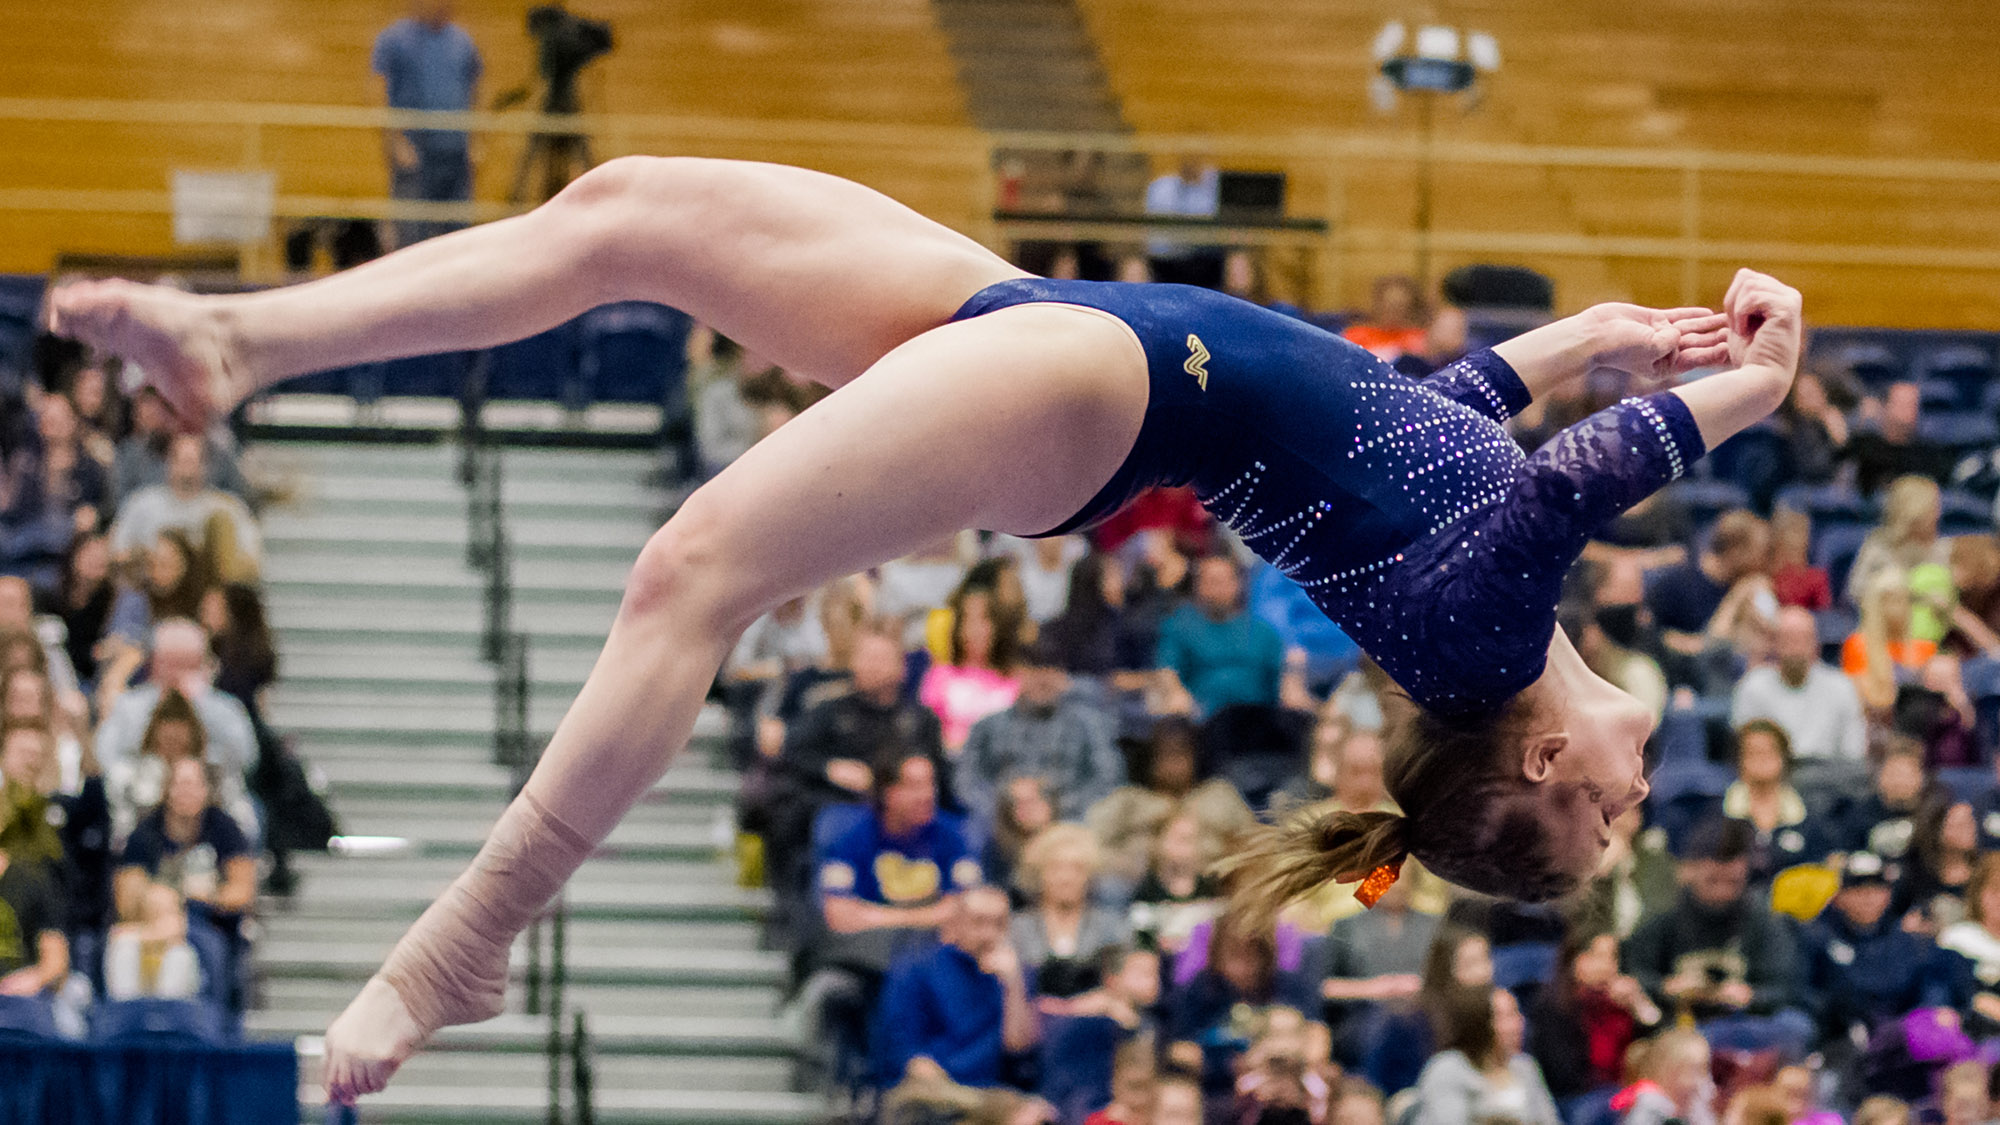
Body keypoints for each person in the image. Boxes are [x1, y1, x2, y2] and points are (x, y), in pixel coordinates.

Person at [43, 158, 1796, 1100]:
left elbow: (1560, 486)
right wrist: (1585, 334)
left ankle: (466, 939)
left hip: (1095, 386)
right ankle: (245, 345)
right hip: (1065, 329)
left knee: (696, 568)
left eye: (1611, 818)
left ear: (1545, 761)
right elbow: (1417, 419)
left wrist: (1754, 389)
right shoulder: (1472, 609)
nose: (1643, 793)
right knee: (626, 212)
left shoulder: (1486, 643)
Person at [1621, 818, 1810, 1058]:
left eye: (1733, 883)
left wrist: (1750, 996)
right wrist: (1667, 987)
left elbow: (1786, 986)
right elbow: (1634, 973)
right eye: (1712, 881)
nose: (1723, 892)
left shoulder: (1762, 917)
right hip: (1682, 1024)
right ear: (1689, 871)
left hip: (1746, 1021)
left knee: (1795, 1026)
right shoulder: (1664, 914)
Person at [873, 884, 1039, 1090]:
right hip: (930, 1090)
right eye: (978, 922)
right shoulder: (918, 969)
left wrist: (1013, 986)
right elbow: (904, 1054)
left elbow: (1018, 1048)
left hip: (994, 1092)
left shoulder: (1017, 975)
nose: (989, 933)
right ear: (953, 925)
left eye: (999, 924)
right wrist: (956, 1096)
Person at [958, 635, 1123, 827]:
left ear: (1063, 676)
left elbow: (1109, 780)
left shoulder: (1088, 724)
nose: (1042, 679)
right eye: (1033, 669)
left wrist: (1052, 808)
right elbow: (966, 780)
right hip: (1002, 826)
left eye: (1050, 669)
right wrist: (1010, 807)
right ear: (1018, 672)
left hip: (1070, 824)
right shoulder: (989, 725)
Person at [1798, 851, 1949, 1051]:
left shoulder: (1908, 942)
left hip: (1904, 1037)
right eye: (1858, 890)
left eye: (1876, 889)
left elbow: (1931, 988)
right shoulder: (1818, 939)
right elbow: (1810, 993)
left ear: (1888, 896)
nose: (1868, 898)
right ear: (1839, 897)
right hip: (1839, 1037)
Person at [373, 0, 483, 248]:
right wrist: (394, 140)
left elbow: (476, 88)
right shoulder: (395, 39)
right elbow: (378, 91)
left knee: (457, 237)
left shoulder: (462, 41)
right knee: (412, 237)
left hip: (456, 153)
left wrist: (476, 142)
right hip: (415, 153)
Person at [1527, 928, 1662, 1102]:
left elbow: (1658, 1053)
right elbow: (1564, 1076)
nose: (1608, 966)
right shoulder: (1553, 1006)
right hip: (1577, 1099)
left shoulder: (1621, 1003)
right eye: (1599, 956)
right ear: (1576, 959)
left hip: (1624, 1091)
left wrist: (1640, 1005)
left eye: (1613, 957)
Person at [106, 434, 260, 583]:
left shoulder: (227, 508)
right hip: (149, 593)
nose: (187, 468)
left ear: (205, 466)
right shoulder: (142, 503)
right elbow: (117, 551)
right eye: (181, 460)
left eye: (193, 461)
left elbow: (252, 559)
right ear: (168, 463)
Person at [1153, 554, 1287, 718]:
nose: (1217, 589)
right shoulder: (1179, 627)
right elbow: (1168, 672)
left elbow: (1283, 677)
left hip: (1258, 719)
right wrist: (1176, 694)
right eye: (1211, 581)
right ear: (1197, 585)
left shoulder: (1263, 631)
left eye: (1223, 581)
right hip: (1200, 718)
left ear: (1237, 584)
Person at [1730, 607, 1867, 763]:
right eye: (1788, 639)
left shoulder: (1841, 687)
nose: (1795, 648)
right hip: (1774, 778)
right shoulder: (1753, 686)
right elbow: (1744, 752)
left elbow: (1853, 754)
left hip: (1828, 777)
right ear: (1774, 642)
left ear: (1816, 643)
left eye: (1803, 638)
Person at [1009, 824, 1131, 998]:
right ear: (1039, 874)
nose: (1066, 878)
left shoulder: (1112, 928)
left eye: (1077, 868)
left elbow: (1122, 987)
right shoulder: (1018, 928)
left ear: (1090, 875)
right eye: (1056, 868)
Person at [1414, 985, 1559, 1125]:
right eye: (1506, 1016)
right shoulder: (1447, 1068)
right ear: (1479, 1022)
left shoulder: (1525, 1067)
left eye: (1516, 1013)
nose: (1518, 1024)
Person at [1844, 567, 1936, 715]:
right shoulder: (1858, 645)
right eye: (1891, 600)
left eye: (1904, 599)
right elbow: (1863, 698)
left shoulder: (1925, 647)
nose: (1900, 607)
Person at [1847, 476, 1947, 608]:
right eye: (1933, 508)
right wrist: (1914, 595)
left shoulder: (1940, 549)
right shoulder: (1878, 546)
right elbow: (1857, 591)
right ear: (1914, 511)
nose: (1938, 515)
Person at [1847, 382, 1953, 497]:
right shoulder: (1863, 448)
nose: (1909, 412)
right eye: (1902, 405)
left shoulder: (1931, 454)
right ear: (1884, 407)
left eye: (1913, 405)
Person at [1342, 277, 1432, 366]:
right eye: (1388, 306)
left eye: (1400, 307)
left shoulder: (1420, 339)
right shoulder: (1354, 336)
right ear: (1377, 305)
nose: (1393, 312)